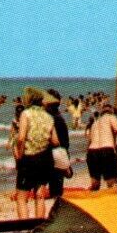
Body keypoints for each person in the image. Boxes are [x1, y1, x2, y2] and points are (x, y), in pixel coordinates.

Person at [13, 88, 56, 220]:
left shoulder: (26, 114)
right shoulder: (48, 116)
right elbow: (55, 141)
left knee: (21, 197)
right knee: (40, 195)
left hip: (28, 158)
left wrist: (19, 154)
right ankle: (38, 228)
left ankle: (25, 229)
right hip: (44, 159)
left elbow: (21, 138)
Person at [44, 90, 73, 200]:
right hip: (60, 153)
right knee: (56, 188)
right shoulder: (59, 117)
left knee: (54, 191)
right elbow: (65, 142)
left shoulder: (49, 118)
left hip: (52, 154)